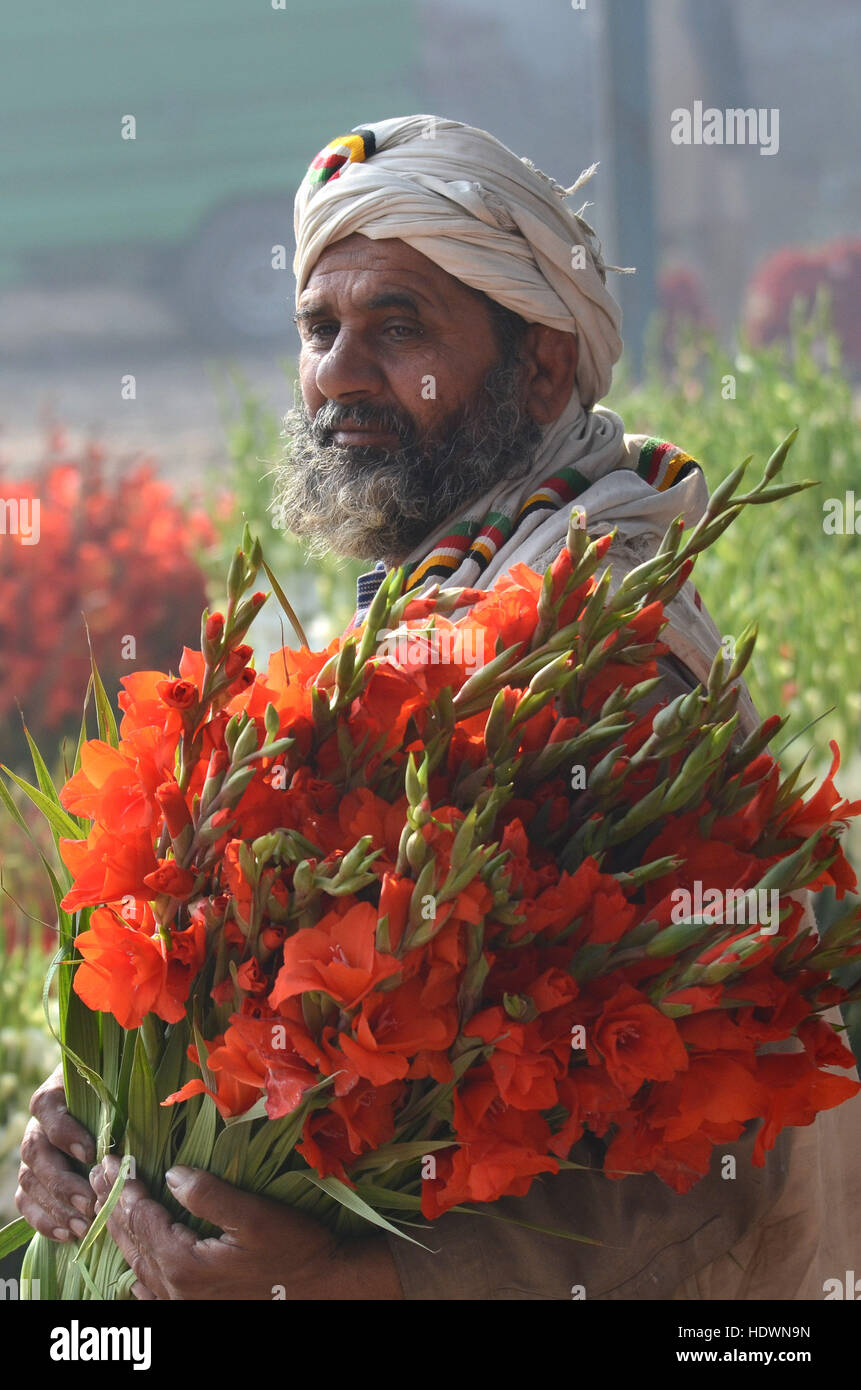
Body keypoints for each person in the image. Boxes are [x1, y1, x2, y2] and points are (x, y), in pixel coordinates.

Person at [16, 115, 861, 1300]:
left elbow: (715, 1164)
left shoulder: (607, 661)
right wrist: (115, 1097)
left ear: (543, 365)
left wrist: (352, 1284)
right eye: (321, 328)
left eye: (397, 325)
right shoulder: (431, 592)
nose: (339, 373)